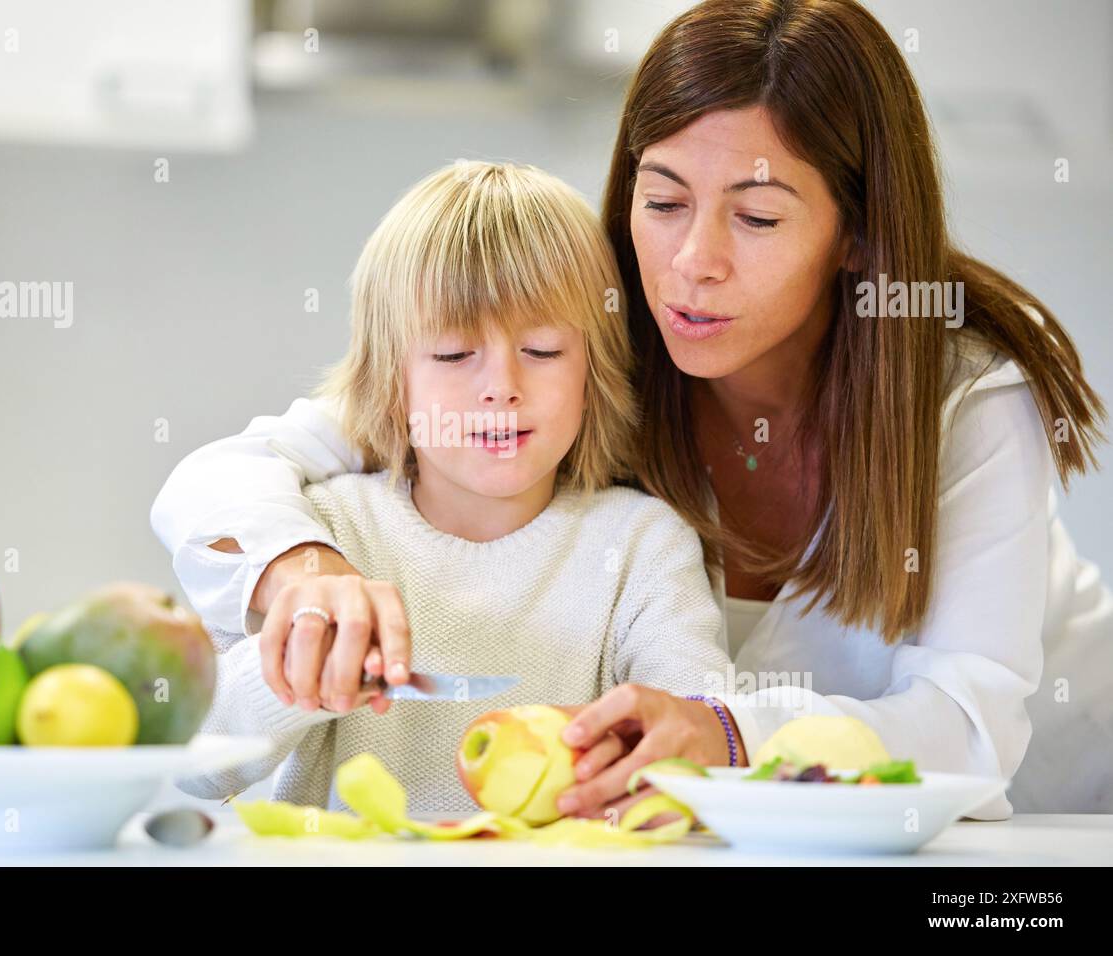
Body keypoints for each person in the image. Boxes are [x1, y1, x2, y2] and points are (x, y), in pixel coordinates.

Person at [154, 0, 1111, 818]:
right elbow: (237, 471)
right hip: (776, 829)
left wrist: (726, 732)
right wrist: (300, 571)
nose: (695, 260)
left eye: (759, 216)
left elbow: (973, 729)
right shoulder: (583, 338)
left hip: (1050, 802)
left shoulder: (969, 394)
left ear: (857, 234)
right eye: (663, 201)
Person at [173, 160, 745, 815]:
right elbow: (199, 765)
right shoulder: (325, 533)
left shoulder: (642, 545)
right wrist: (299, 673)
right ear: (392, 382)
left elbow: (697, 730)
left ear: (595, 373)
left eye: (542, 351)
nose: (501, 385)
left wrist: (636, 761)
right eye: (452, 355)